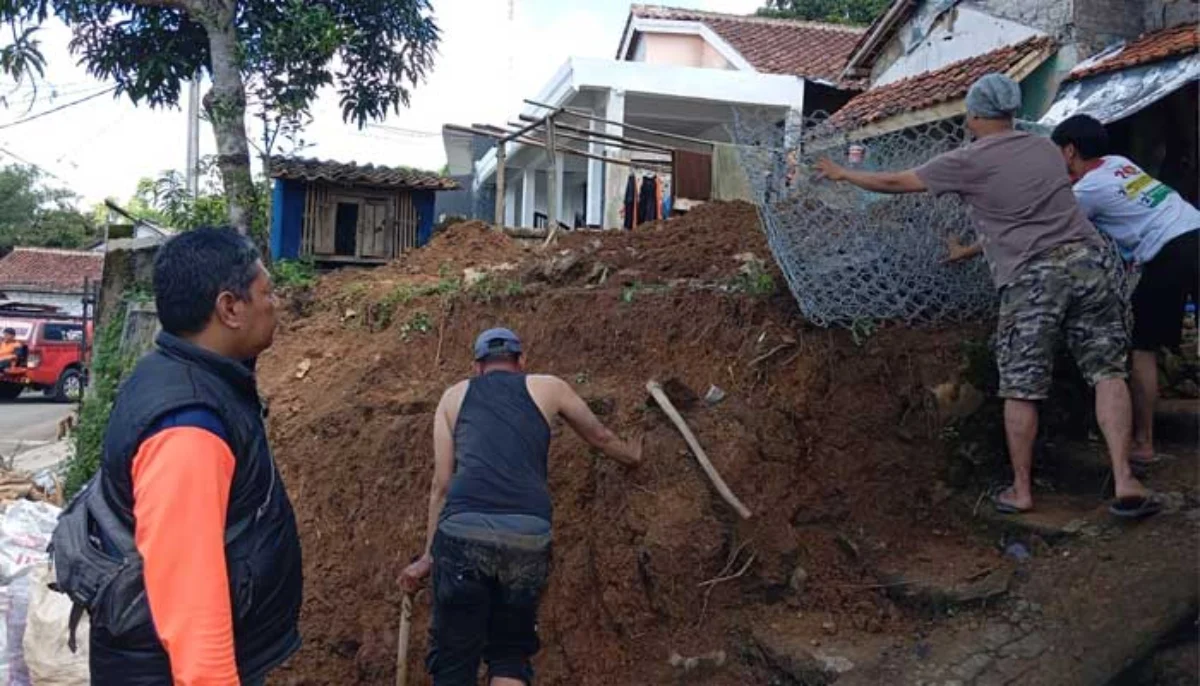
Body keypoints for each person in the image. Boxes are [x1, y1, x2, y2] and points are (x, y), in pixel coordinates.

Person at [815, 73, 1157, 518]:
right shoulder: (1045, 149)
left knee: (1022, 385)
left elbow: (897, 183)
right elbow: (1043, 200)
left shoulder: (967, 160)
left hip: (1032, 276)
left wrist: (843, 173)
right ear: (1012, 111)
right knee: (1108, 372)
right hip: (1089, 263)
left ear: (974, 113)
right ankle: (1124, 477)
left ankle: (1021, 490)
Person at [89, 227, 302, 684]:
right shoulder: (189, 425)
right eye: (267, 292)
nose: (276, 304)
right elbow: (190, 599)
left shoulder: (181, 375)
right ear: (230, 308)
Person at [399, 328, 642, 685]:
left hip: (462, 536)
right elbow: (600, 436)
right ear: (522, 361)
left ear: (477, 367)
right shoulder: (549, 387)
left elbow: (442, 485)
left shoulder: (453, 396)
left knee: (454, 660)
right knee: (510, 654)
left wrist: (427, 557)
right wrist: (632, 455)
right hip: (527, 536)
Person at [1050, 114, 1200, 466]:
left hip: (1168, 251)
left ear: (1069, 151)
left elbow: (1048, 226)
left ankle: (1144, 443)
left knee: (1143, 348)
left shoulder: (1085, 192)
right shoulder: (1119, 163)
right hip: (1195, 226)